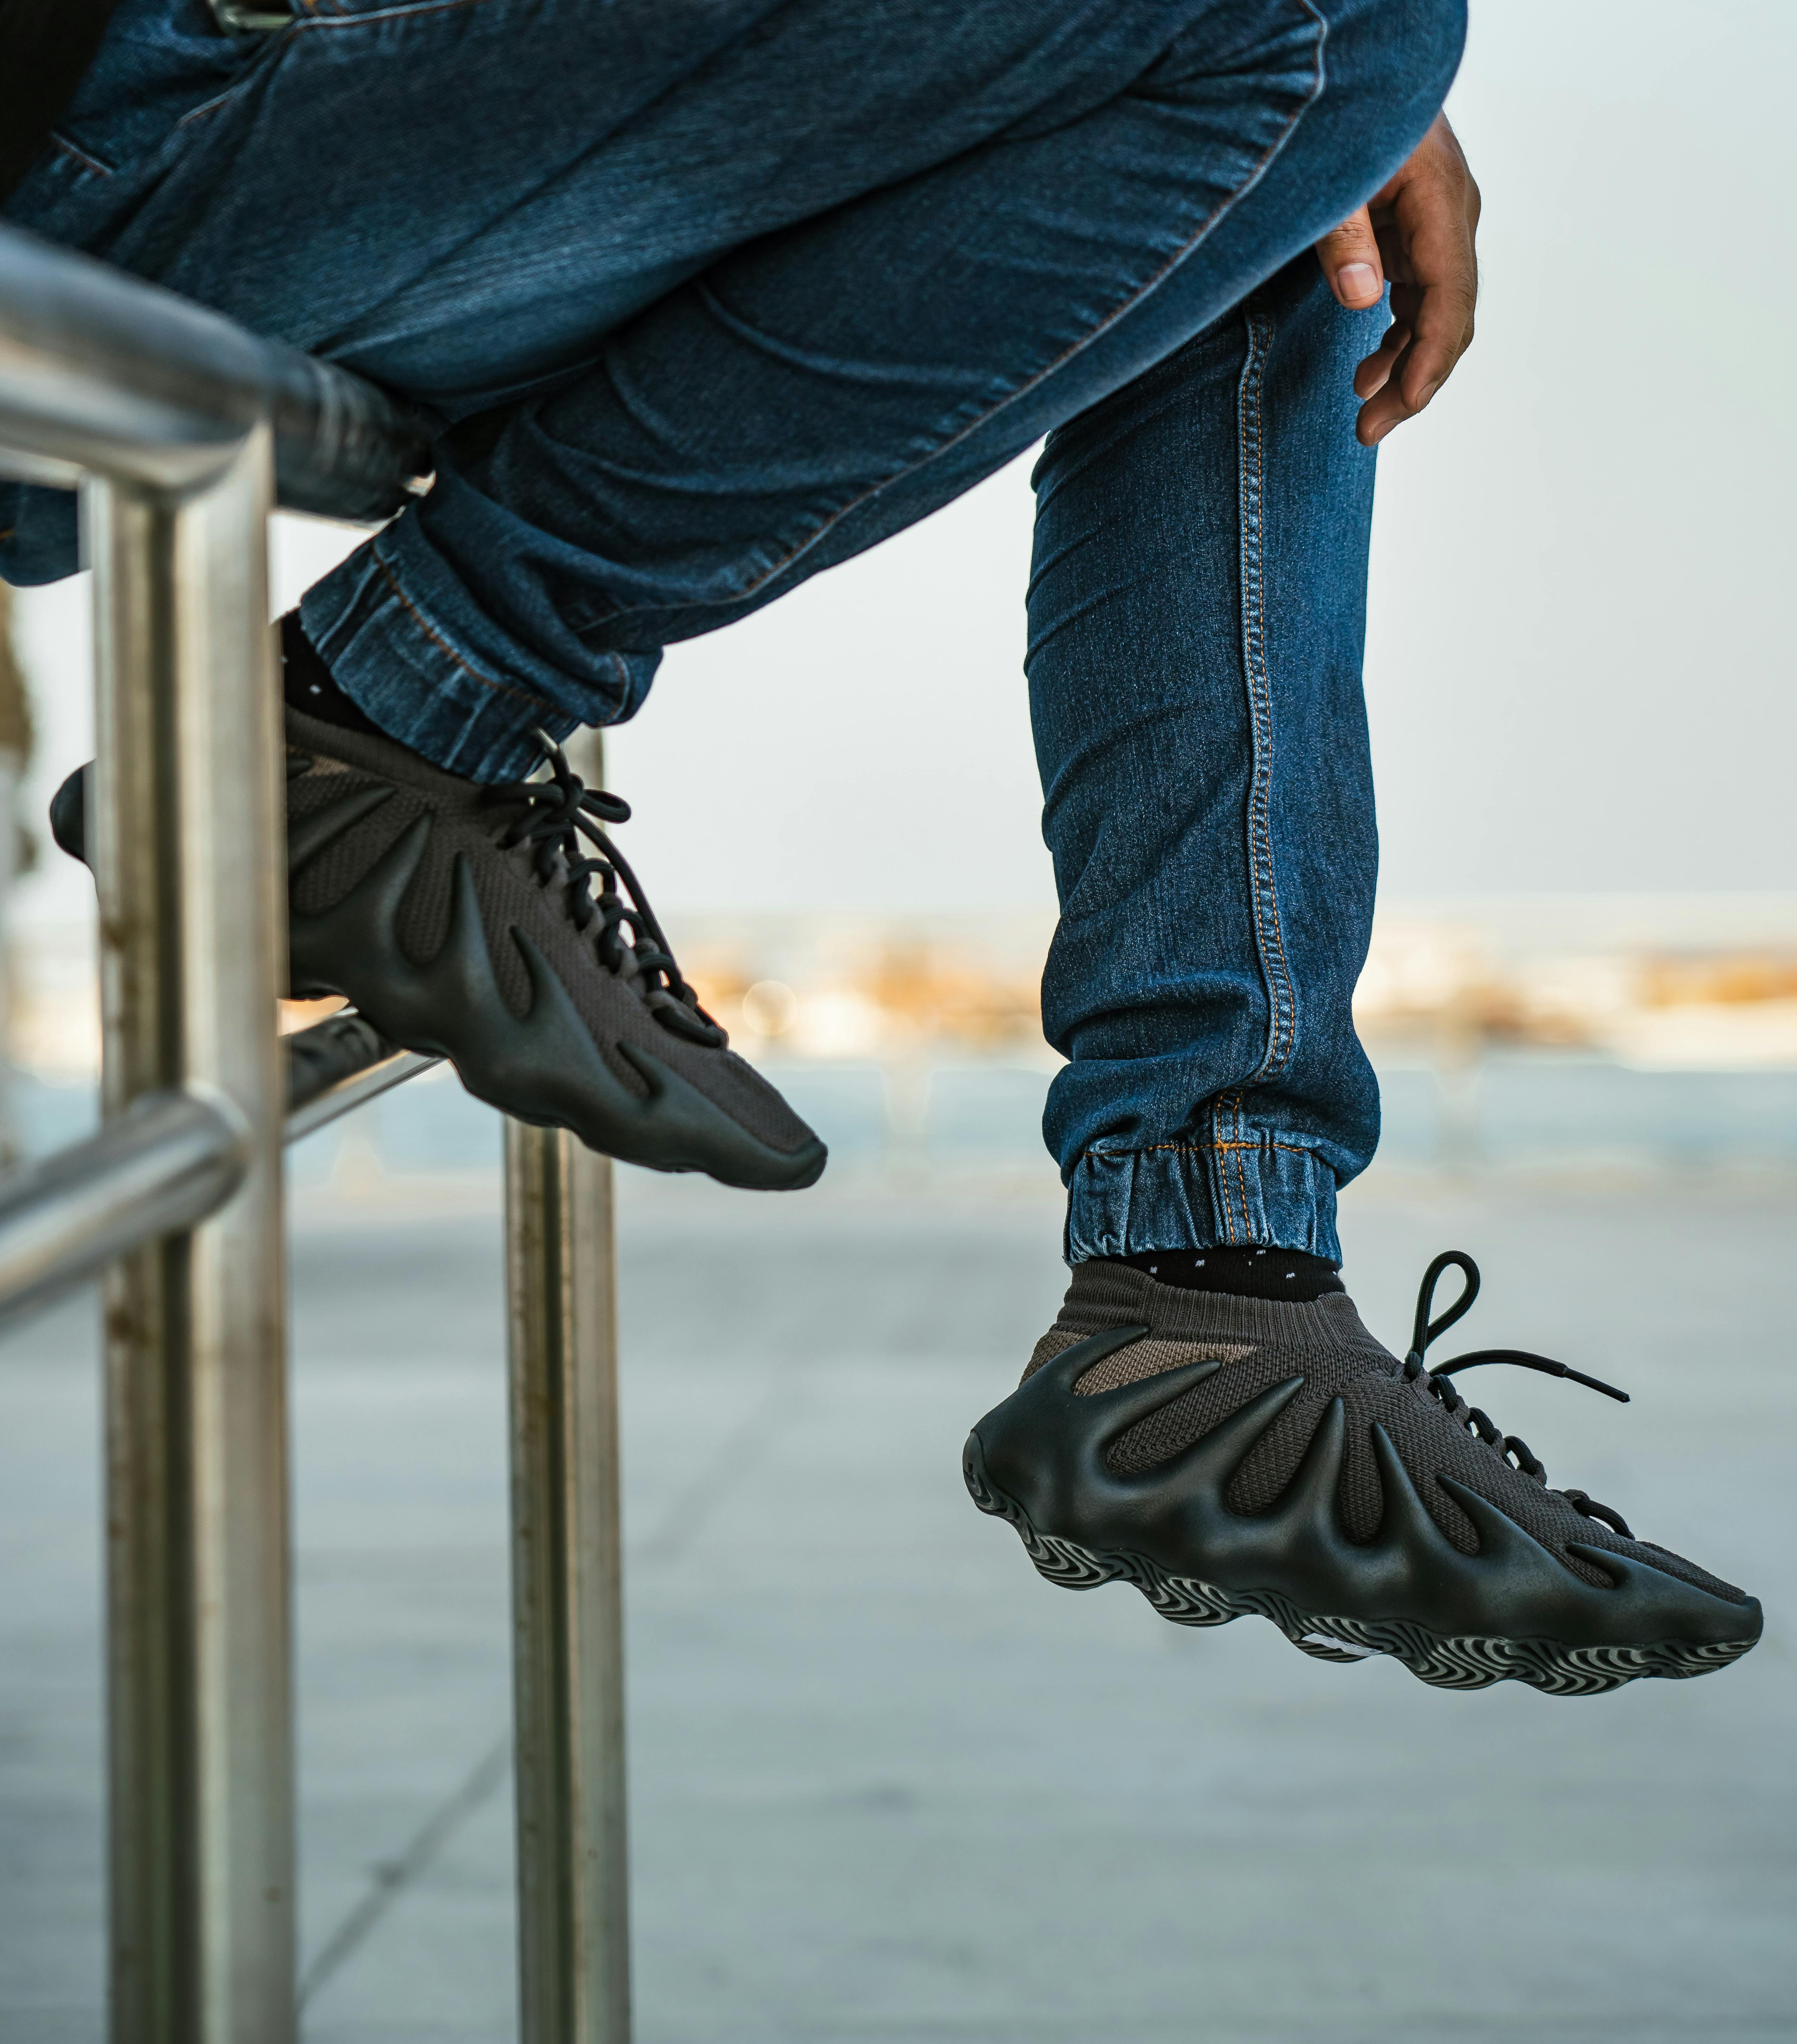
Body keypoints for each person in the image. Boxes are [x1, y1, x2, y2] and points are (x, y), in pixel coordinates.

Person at [0, 0, 1760, 1691]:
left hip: (245, 156)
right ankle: (390, 699)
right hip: (116, 135)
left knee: (1298, 157)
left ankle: (1217, 1268)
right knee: (1317, 31)